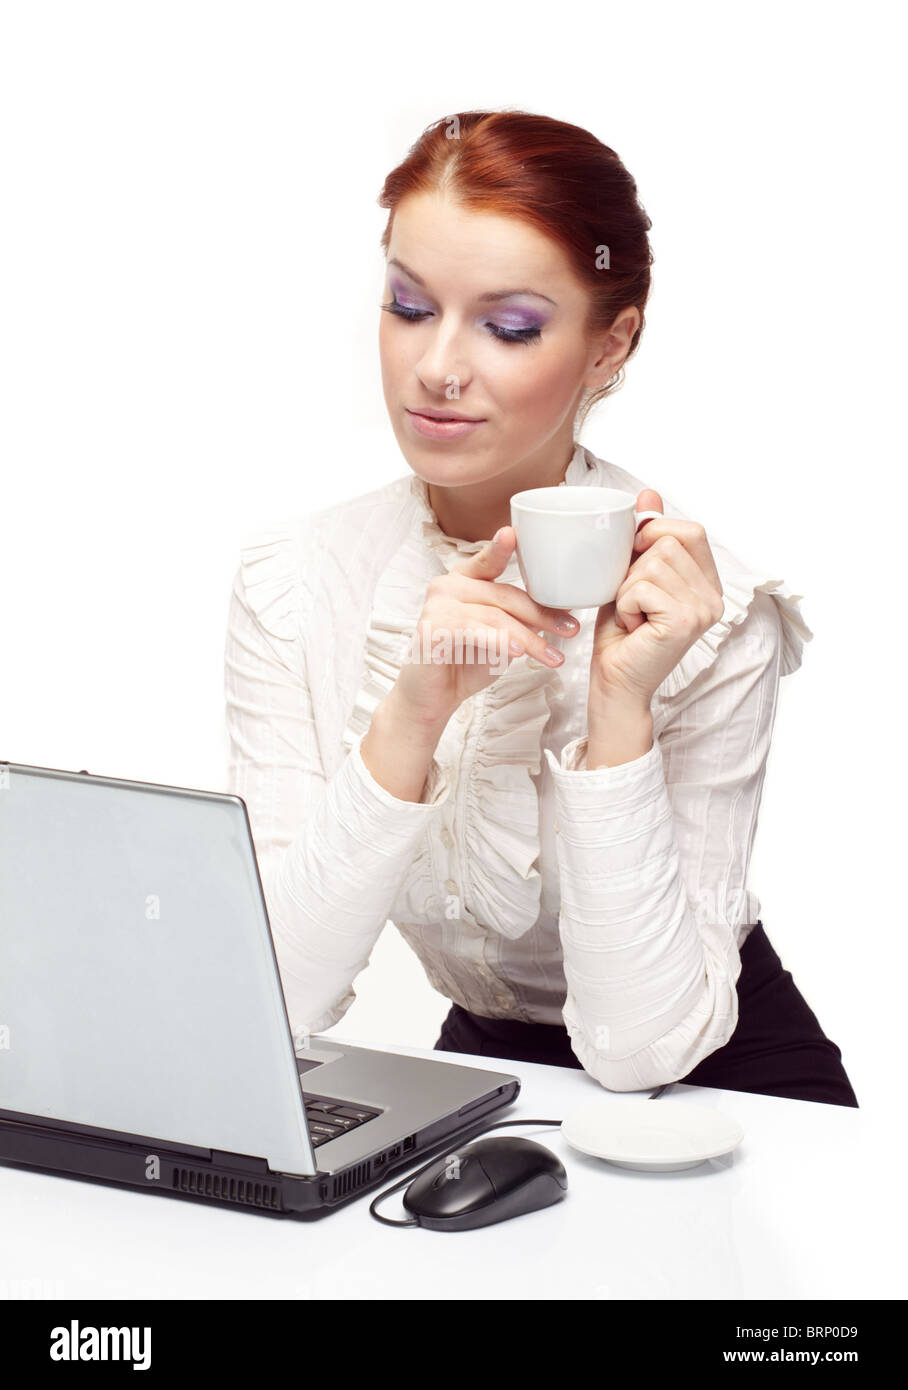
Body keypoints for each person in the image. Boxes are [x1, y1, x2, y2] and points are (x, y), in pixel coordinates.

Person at [223, 109, 857, 1108]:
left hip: (727, 1091)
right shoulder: (295, 579)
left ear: (610, 344)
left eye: (508, 325)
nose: (437, 367)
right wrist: (411, 713)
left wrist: (619, 713)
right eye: (406, 305)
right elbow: (271, 999)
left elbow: (639, 1047)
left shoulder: (708, 612)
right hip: (492, 1072)